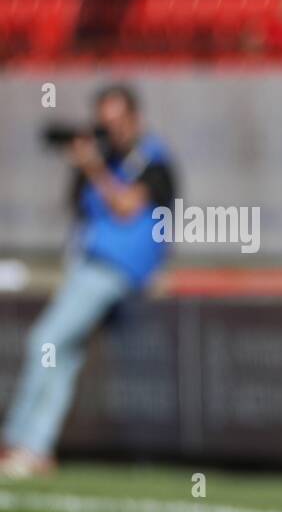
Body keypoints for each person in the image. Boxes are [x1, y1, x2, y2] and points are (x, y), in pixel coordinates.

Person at [0, 84, 176, 479]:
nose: (111, 131)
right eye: (105, 123)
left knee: (44, 342)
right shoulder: (105, 163)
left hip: (115, 270)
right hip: (87, 264)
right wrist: (86, 166)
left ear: (136, 120)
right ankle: (35, 448)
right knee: (62, 356)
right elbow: (79, 209)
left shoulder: (154, 161)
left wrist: (94, 167)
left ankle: (17, 439)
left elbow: (128, 207)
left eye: (118, 122)